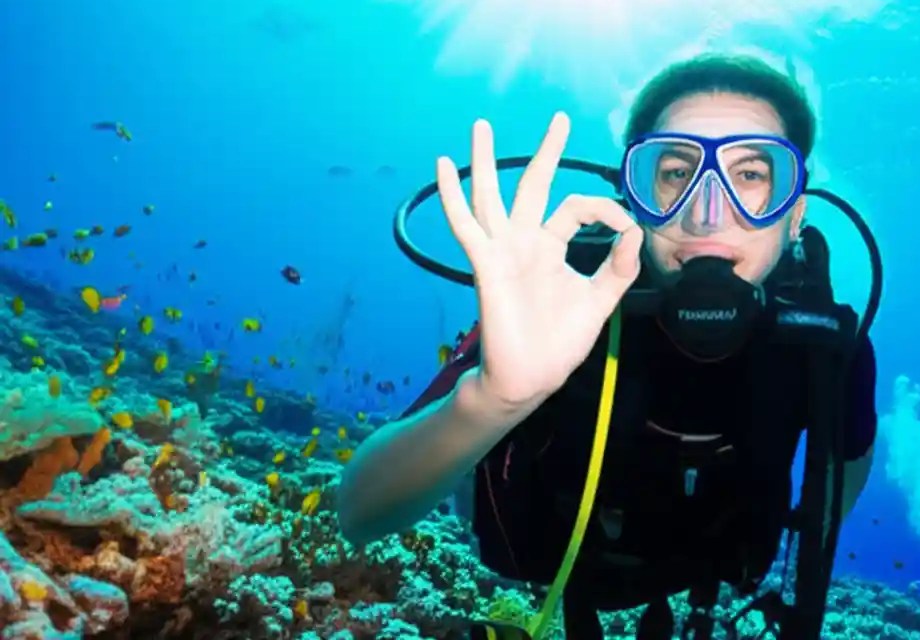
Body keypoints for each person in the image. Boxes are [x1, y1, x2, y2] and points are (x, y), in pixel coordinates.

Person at [337, 53, 879, 640]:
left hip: (704, 576)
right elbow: (360, 515)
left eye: (751, 175)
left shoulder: (825, 349)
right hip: (540, 567)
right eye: (675, 172)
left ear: (794, 214)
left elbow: (834, 497)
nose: (706, 212)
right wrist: (492, 401)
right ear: (635, 199)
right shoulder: (563, 294)